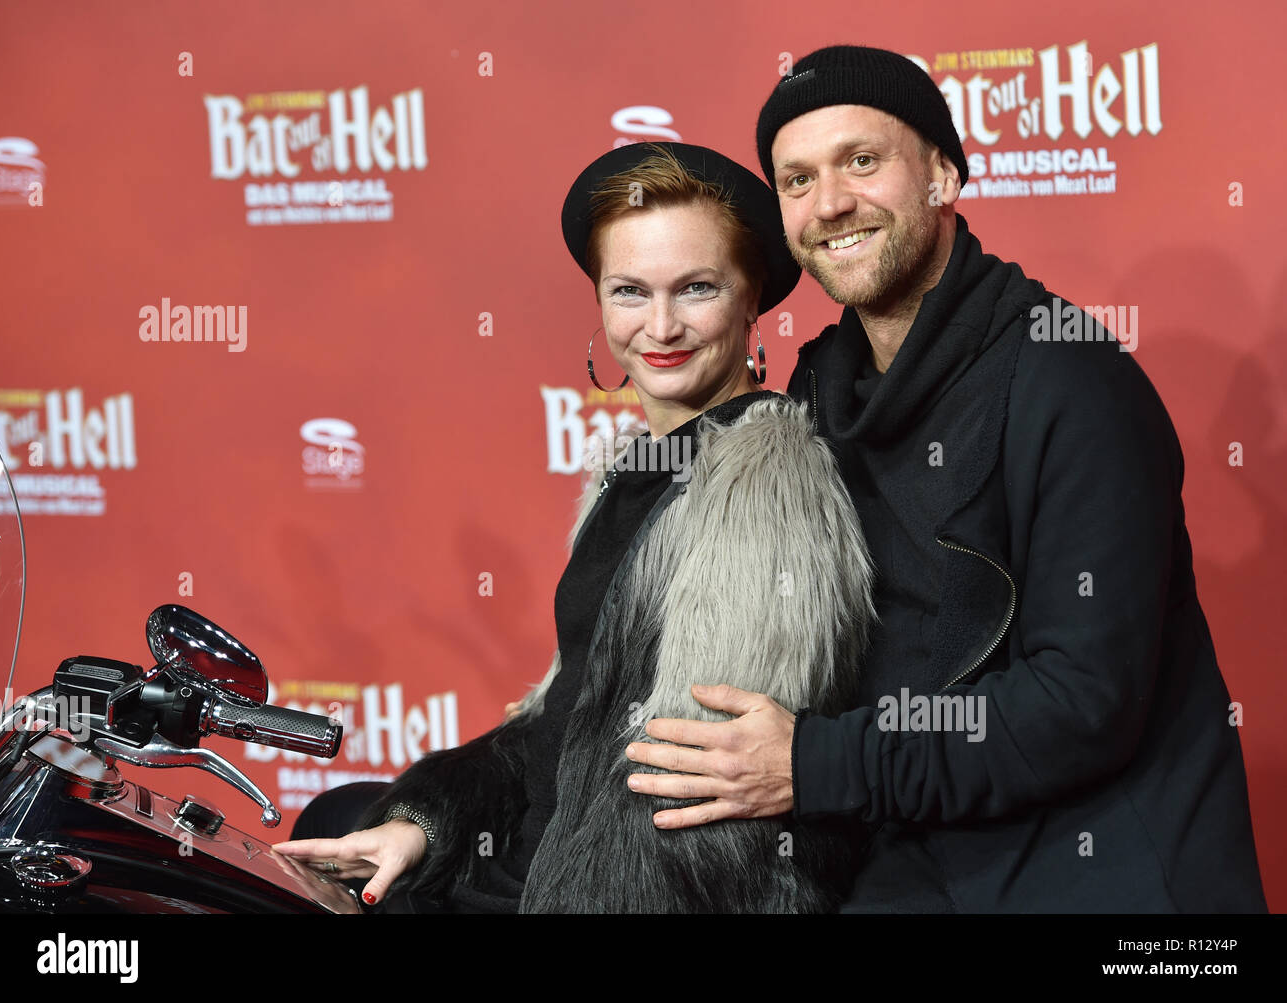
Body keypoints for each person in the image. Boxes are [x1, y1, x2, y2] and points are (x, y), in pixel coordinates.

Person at [622, 45, 1268, 913]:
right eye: (798, 179)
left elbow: (1080, 707)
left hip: (1102, 874)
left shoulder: (1072, 381)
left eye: (862, 160)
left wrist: (816, 762)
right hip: (911, 855)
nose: (832, 203)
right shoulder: (814, 392)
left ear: (943, 177)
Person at [274, 142, 876, 913]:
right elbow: (562, 720)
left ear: (751, 297)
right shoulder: (635, 470)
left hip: (593, 887)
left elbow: (686, 814)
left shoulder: (762, 487)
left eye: (696, 288)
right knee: (343, 828)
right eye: (630, 290)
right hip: (548, 846)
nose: (660, 326)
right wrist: (425, 822)